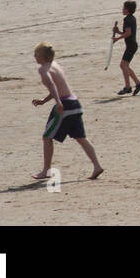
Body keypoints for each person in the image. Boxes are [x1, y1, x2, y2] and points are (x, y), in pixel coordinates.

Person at [31, 43, 104, 180]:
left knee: (47, 137)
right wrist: (44, 101)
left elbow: (52, 85)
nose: (34, 57)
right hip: (75, 103)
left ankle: (46, 170)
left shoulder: (43, 69)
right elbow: (58, 86)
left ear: (41, 56)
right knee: (81, 138)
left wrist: (58, 103)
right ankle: (97, 166)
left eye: (35, 54)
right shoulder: (56, 65)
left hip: (64, 106)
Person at [112, 0, 140, 96]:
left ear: (127, 9)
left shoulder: (128, 20)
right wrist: (119, 32)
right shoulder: (131, 18)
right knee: (125, 66)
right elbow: (127, 33)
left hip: (131, 46)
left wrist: (117, 38)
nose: (122, 9)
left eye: (124, 8)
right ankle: (138, 84)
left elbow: (128, 33)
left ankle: (128, 87)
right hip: (132, 45)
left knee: (123, 65)